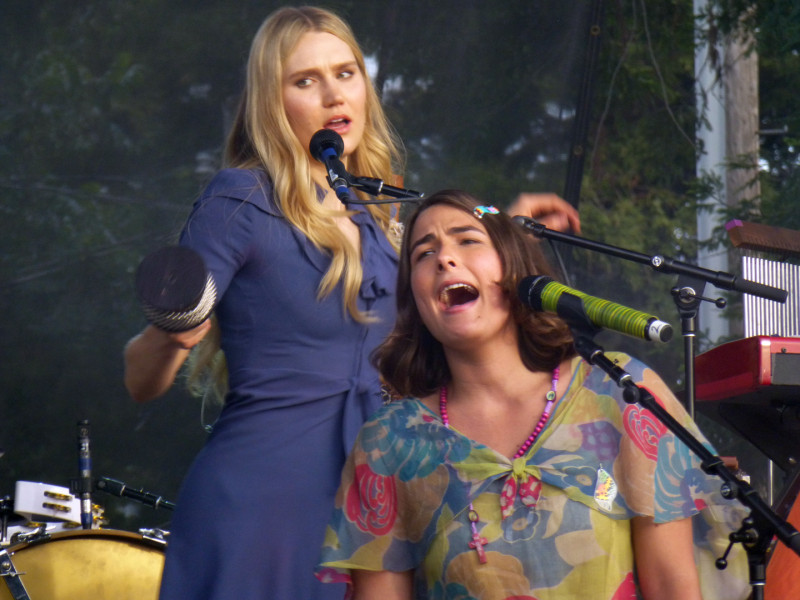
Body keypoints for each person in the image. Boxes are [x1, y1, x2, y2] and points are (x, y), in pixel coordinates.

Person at [123, 7, 580, 600]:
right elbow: (140, 380)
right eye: (305, 80)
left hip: (376, 500)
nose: (334, 95)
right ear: (273, 103)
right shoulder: (240, 198)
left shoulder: (379, 217)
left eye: (346, 73)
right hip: (265, 501)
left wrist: (499, 232)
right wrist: (173, 334)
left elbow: (448, 294)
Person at [317, 189, 750, 600]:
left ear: (516, 270)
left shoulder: (621, 392)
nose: (444, 258)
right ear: (415, 301)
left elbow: (673, 588)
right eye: (423, 253)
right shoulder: (391, 442)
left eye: (468, 240)